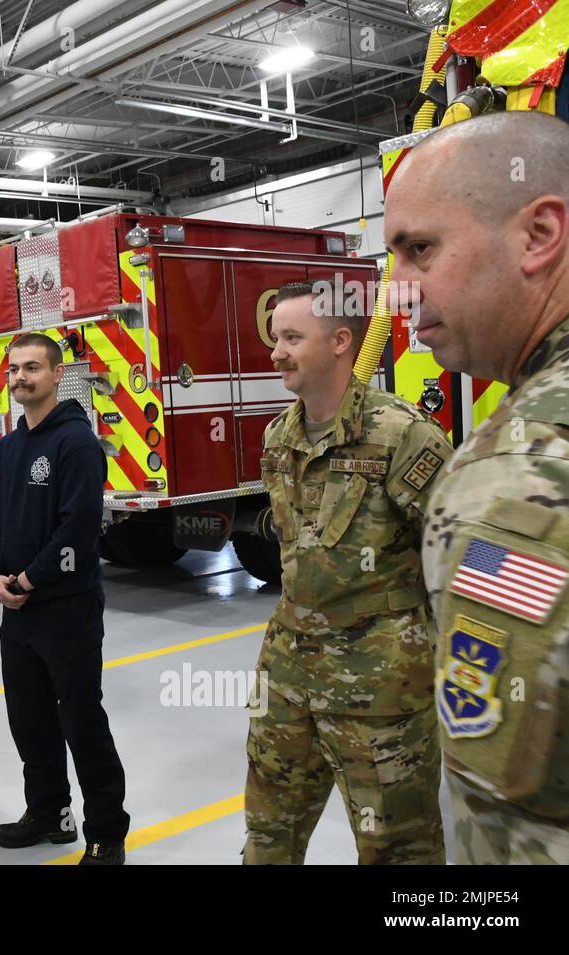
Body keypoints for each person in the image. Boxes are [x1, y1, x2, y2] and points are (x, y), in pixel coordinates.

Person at [385, 109, 569, 864]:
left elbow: (517, 835)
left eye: (419, 250)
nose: (397, 293)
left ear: (538, 235)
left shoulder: (514, 473)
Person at [244, 281, 451, 865]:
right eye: (274, 338)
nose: (276, 353)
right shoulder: (279, 437)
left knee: (398, 848)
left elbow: (460, 548)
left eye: (291, 338)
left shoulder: (401, 435)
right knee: (268, 833)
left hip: (379, 685)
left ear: (340, 342)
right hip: (289, 671)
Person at [0, 332, 129, 865]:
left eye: (31, 368)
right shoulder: (9, 446)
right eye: (13, 369)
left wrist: (27, 582)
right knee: (30, 719)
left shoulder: (77, 444)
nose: (19, 378)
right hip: (17, 614)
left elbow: (79, 529)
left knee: (81, 722)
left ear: (57, 375)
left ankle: (107, 834)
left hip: (66, 611)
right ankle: (49, 814)